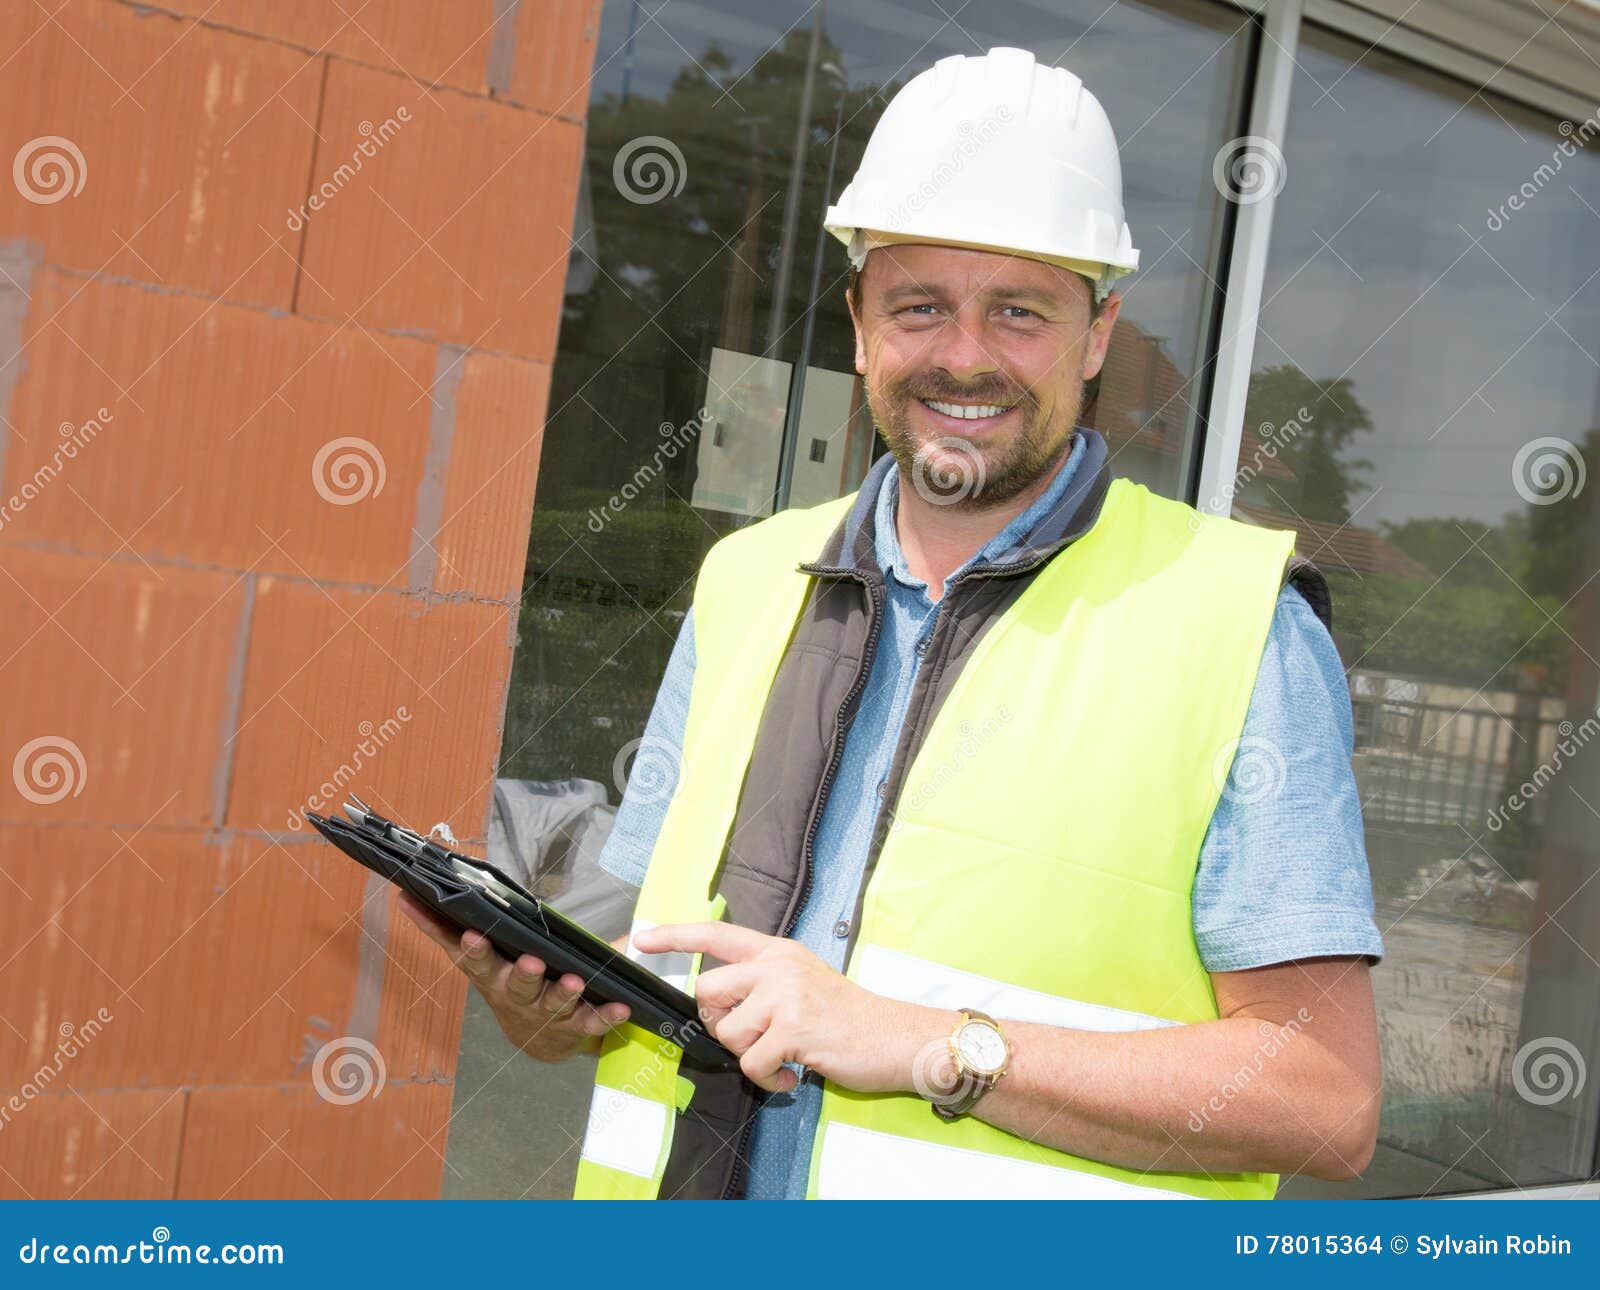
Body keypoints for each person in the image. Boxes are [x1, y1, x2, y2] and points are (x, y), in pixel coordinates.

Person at [403, 47, 1383, 1200]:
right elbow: (652, 978)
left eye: (1018, 312)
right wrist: (555, 1007)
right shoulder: (748, 578)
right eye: (921, 306)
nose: (963, 355)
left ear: (1098, 334)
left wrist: (933, 1045)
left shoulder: (1237, 626)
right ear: (862, 325)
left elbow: (1322, 1102)